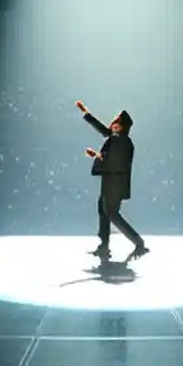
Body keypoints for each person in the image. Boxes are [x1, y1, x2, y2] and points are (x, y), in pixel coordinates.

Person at [76, 100, 148, 259]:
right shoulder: (120, 139)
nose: (112, 122)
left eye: (116, 121)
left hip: (113, 185)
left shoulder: (119, 141)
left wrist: (97, 156)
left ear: (121, 126)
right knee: (104, 212)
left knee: (112, 214)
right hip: (113, 184)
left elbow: (113, 163)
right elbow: (104, 132)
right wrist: (86, 113)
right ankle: (104, 245)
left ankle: (138, 243)